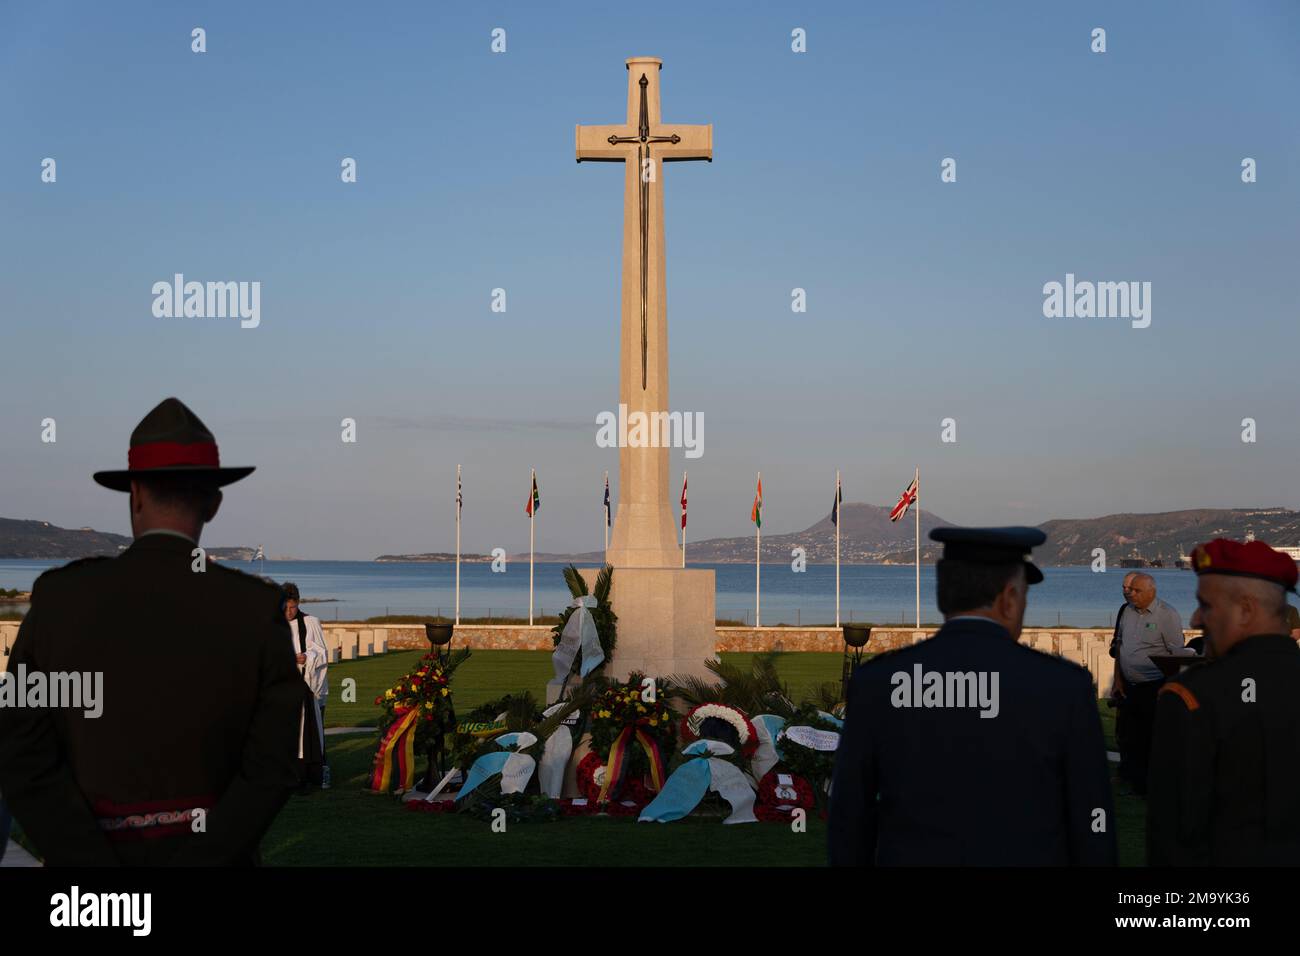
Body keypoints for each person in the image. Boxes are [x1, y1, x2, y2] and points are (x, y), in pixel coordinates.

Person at [0, 398, 303, 865]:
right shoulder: (254, 610)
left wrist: (89, 862)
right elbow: (273, 768)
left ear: (134, 494)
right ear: (214, 503)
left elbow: (20, 753)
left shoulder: (61, 600)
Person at [829, 526, 1116, 865]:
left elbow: (849, 816)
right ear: (1009, 599)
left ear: (942, 596)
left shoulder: (878, 682)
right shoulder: (1063, 687)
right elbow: (1092, 816)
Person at [1148, 538, 1300, 865]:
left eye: (1206, 605)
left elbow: (1172, 839)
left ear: (1246, 609)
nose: (1195, 620)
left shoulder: (1190, 697)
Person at [1112, 573, 1191, 796]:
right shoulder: (1127, 611)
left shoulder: (1167, 615)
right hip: (1129, 685)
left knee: (1151, 737)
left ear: (1151, 592)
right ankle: (1136, 783)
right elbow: (1120, 646)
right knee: (1132, 736)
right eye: (1130, 590)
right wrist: (1118, 679)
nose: (1131, 594)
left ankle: (1152, 785)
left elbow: (1176, 653)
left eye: (1136, 591)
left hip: (1154, 685)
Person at [282, 582, 329, 791]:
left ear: (298, 603)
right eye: (285, 607)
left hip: (309, 687)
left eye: (292, 607)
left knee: (313, 735)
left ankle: (316, 774)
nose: (288, 612)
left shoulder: (310, 623)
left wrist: (307, 657)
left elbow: (321, 652)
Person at [1108, 572, 1138, 784]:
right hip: (1125, 678)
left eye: (1130, 588)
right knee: (1123, 729)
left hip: (1148, 680)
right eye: (1123, 587)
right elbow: (1116, 644)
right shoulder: (1123, 611)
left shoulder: (1164, 614)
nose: (1126, 591)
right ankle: (1125, 771)